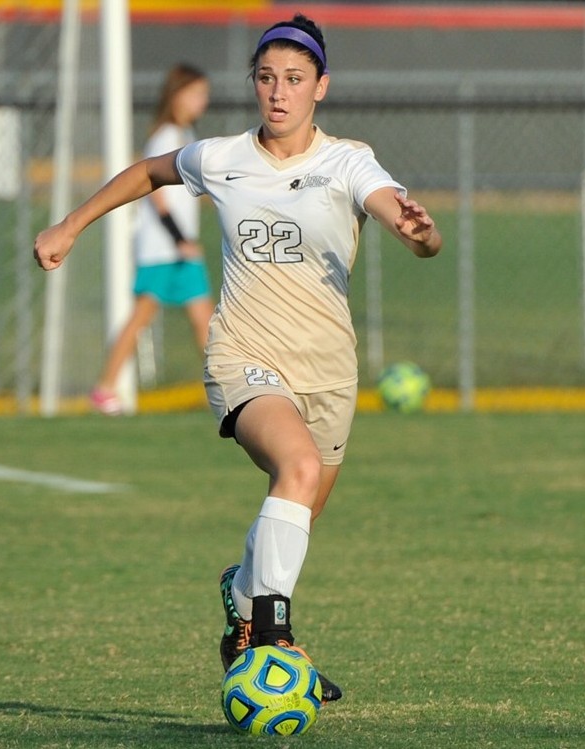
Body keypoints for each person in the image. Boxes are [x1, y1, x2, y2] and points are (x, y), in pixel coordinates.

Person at [34, 14, 442, 703]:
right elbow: (150, 172)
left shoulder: (348, 161)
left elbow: (400, 216)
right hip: (244, 356)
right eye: (266, 77)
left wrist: (417, 232)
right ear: (253, 83)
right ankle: (274, 641)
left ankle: (244, 596)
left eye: (294, 79)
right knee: (297, 467)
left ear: (320, 87)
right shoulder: (221, 157)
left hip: (328, 371)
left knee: (300, 506)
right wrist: (70, 224)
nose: (279, 92)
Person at [89, 64, 215, 415]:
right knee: (141, 317)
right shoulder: (166, 137)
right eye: (196, 94)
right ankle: (105, 389)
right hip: (163, 249)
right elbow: (156, 195)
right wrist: (178, 238)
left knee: (204, 320)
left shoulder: (185, 133)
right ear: (176, 96)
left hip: (180, 248)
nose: (202, 101)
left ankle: (223, 391)